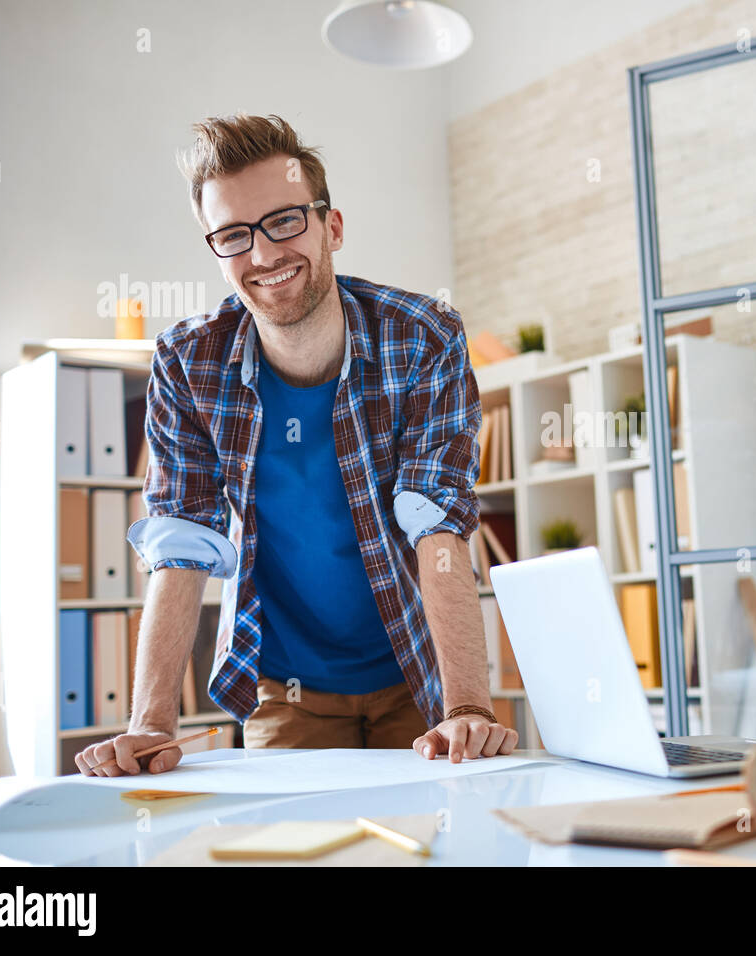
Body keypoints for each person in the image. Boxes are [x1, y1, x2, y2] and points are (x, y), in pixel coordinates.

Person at [74, 113, 515, 776]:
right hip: (287, 691)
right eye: (233, 236)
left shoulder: (423, 337)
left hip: (419, 676)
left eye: (284, 221)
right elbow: (181, 542)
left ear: (330, 226)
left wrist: (469, 710)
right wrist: (151, 727)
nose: (263, 254)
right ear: (218, 255)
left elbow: (438, 524)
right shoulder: (187, 364)